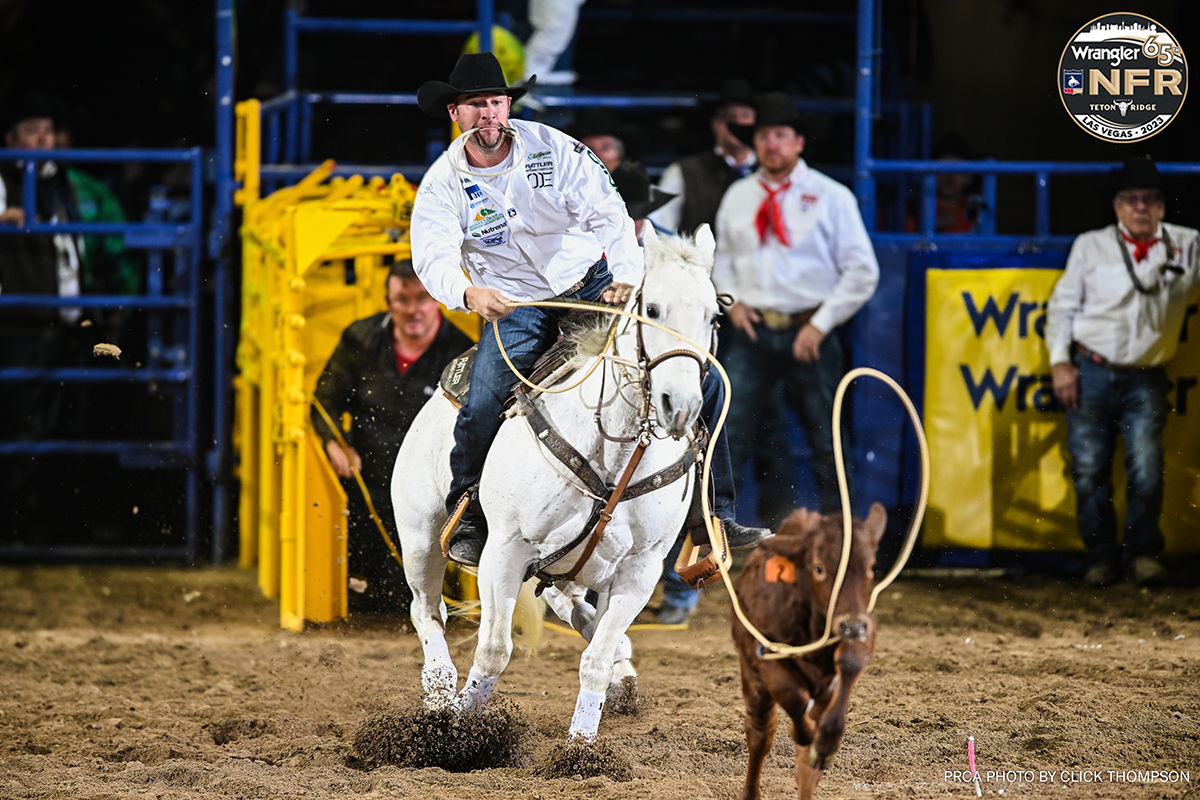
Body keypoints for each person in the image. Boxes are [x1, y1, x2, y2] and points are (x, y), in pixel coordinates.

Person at [410, 52, 769, 566]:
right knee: (485, 395)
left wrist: (624, 275)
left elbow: (610, 214)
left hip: (592, 282)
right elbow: (432, 258)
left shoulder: (555, 150)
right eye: (474, 105)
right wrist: (469, 294)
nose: (487, 114)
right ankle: (467, 509)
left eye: (495, 102)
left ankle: (713, 516)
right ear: (456, 115)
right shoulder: (442, 185)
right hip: (516, 303)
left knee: (700, 374)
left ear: (507, 105)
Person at [713, 91, 880, 517]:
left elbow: (863, 271)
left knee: (827, 442)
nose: (771, 144)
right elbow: (722, 261)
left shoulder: (831, 196)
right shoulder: (739, 196)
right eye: (765, 135)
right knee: (729, 438)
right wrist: (733, 304)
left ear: (799, 142)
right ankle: (721, 535)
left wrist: (821, 324)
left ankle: (843, 543)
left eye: (781, 135)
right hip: (752, 331)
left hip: (811, 331)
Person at [1045, 155, 1199, 588]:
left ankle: (1142, 554)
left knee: (1146, 466)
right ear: (1117, 207)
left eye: (1149, 199)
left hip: (1147, 373)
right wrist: (1060, 362)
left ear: (1162, 206)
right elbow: (1062, 307)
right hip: (1090, 367)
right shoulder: (1091, 246)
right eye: (1131, 199)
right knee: (1089, 467)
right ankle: (1101, 556)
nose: (1141, 207)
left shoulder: (1188, 245)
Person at [311, 259, 474, 611]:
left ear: (436, 301)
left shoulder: (463, 353)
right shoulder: (359, 338)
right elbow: (324, 398)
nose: (412, 309)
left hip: (432, 479)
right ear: (388, 303)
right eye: (402, 300)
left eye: (421, 298)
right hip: (366, 472)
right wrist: (333, 441)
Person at [0, 89, 87, 542]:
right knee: (22, 428)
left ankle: (36, 525)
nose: (41, 140)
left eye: (47, 131)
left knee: (47, 428)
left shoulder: (57, 180)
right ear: (11, 136)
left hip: (56, 323)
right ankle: (17, 528)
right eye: (31, 131)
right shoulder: (5, 177)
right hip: (20, 323)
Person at [650, 78, 757, 236]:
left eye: (745, 115)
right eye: (730, 116)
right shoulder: (684, 171)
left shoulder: (771, 171)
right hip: (701, 260)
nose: (738, 122)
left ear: (756, 123)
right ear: (716, 123)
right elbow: (659, 230)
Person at [566, 107, 626, 173]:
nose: (597, 156)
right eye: (590, 149)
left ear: (619, 156)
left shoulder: (634, 181)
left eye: (605, 148)